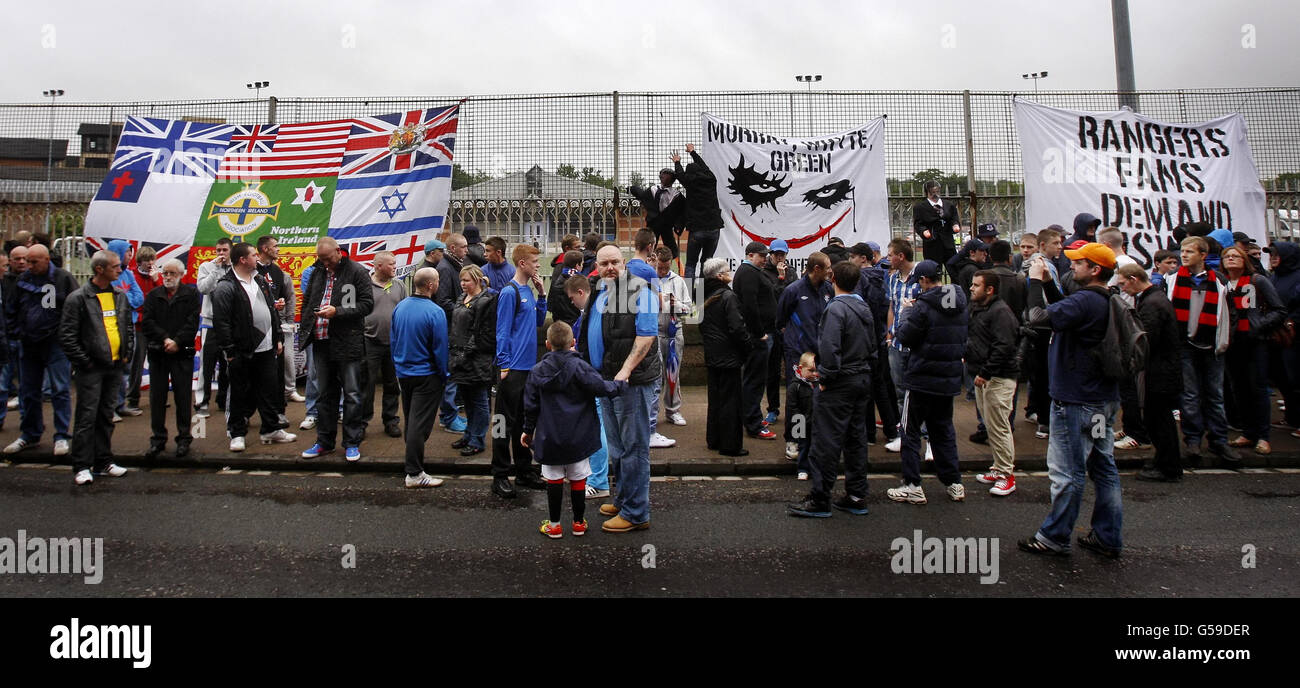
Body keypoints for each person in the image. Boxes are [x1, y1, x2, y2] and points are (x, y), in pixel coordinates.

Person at [1019, 242, 1123, 558]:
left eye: (1079, 263)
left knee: (1068, 472)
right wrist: (1050, 285)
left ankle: (1054, 536)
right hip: (1101, 401)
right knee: (1103, 467)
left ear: (1094, 269)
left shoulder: (1086, 300)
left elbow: (1037, 317)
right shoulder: (1102, 299)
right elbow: (1066, 312)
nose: (1071, 266)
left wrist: (1036, 281)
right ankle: (1107, 535)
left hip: (1075, 401)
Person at [580, 245, 660, 533]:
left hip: (631, 384)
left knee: (634, 448)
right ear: (597, 266)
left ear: (624, 263)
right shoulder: (600, 289)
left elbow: (646, 336)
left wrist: (625, 372)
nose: (610, 267)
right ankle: (625, 499)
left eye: (615, 262)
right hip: (606, 381)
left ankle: (637, 513)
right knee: (616, 447)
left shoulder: (641, 292)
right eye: (604, 263)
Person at [787, 260, 876, 518]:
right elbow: (872, 345)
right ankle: (857, 495)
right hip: (861, 379)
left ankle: (820, 498)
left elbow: (829, 348)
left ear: (833, 277)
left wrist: (824, 377)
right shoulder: (863, 307)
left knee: (825, 442)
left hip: (839, 384)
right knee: (856, 440)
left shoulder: (835, 309)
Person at [523, 321, 627, 539]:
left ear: (547, 344)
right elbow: (600, 387)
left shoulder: (536, 371)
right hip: (578, 435)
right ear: (573, 343)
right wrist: (621, 384)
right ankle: (579, 523)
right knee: (579, 479)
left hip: (549, 436)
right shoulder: (581, 367)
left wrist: (528, 430)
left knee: (554, 480)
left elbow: (530, 405)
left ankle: (554, 526)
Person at [886, 260, 968, 505]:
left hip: (922, 378)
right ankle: (954, 482)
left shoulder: (921, 307)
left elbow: (905, 336)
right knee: (943, 430)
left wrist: (907, 312)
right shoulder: (959, 302)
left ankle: (912, 484)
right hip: (948, 378)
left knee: (910, 431)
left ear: (923, 281)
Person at [210, 242, 297, 452]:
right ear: (242, 260)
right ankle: (237, 433)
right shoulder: (226, 286)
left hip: (266, 348)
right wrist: (230, 351)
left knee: (268, 389)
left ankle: (270, 429)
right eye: (253, 255)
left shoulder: (260, 280)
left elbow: (271, 310)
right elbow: (221, 322)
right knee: (239, 392)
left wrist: (276, 337)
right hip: (241, 350)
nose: (257, 258)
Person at [297, 237, 374, 462]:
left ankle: (351, 443)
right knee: (324, 395)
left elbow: (366, 304)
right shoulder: (318, 271)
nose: (326, 264)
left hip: (347, 342)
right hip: (321, 342)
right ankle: (324, 442)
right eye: (321, 260)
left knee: (351, 394)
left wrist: (337, 312)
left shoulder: (356, 272)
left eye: (328, 259)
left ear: (339, 252)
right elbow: (309, 300)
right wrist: (309, 322)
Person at [59, 250, 132, 485]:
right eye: (115, 267)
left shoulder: (119, 295)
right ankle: (81, 464)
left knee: (106, 415)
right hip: (91, 368)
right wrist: (85, 361)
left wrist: (125, 354)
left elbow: (127, 328)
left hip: (114, 366)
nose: (120, 270)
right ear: (99, 269)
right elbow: (68, 336)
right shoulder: (78, 298)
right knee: (86, 416)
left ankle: (103, 460)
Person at [1166, 236, 1238, 466]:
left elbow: (1231, 313)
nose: (1183, 255)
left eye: (1189, 251)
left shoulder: (1218, 281)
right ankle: (1193, 440)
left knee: (1215, 395)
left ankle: (1218, 440)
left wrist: (1225, 338)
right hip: (1184, 345)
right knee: (1190, 395)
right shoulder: (1172, 280)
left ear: (1203, 255)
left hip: (1212, 345)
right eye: (1182, 251)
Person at [4, 244, 77, 457]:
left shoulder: (62, 279)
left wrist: (66, 336)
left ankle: (62, 435)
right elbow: (12, 308)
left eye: (34, 261)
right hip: (29, 343)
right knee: (28, 391)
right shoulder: (23, 280)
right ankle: (30, 433)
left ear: (47, 259)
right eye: (28, 261)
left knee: (60, 389)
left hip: (55, 343)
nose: (29, 265)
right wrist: (16, 333)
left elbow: (73, 309)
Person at [1116, 263, 1185, 482]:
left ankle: (1168, 467)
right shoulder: (1153, 298)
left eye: (1123, 283)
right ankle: (1163, 460)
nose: (1123, 289)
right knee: (1157, 419)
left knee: (1159, 420)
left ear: (1134, 279)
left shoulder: (1152, 304)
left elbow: (1145, 339)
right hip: (1161, 369)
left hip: (1160, 371)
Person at [491, 243, 549, 498]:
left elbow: (537, 323)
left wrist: (542, 295)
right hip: (512, 368)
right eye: (535, 262)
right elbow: (501, 331)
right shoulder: (509, 292)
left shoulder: (527, 291)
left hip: (528, 368)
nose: (538, 266)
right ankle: (500, 475)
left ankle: (524, 470)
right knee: (503, 422)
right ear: (523, 263)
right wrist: (503, 365)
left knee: (524, 423)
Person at [1221, 245, 1284, 456]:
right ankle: (1248, 432)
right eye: (1227, 256)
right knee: (1239, 389)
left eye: (1235, 256)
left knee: (1258, 389)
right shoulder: (1221, 283)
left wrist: (1259, 325)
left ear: (1244, 260)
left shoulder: (1257, 281)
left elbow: (1279, 310)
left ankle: (1263, 436)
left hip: (1255, 342)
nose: (1231, 259)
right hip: (1232, 343)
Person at [390, 267, 448, 489]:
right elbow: (440, 348)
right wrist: (444, 375)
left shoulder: (400, 307)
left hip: (404, 373)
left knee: (411, 420)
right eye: (438, 281)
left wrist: (398, 366)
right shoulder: (435, 312)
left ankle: (411, 463)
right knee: (418, 425)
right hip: (427, 375)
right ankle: (414, 472)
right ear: (431, 285)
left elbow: (393, 341)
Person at [966, 270, 1020, 496]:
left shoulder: (1000, 313)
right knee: (991, 425)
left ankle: (1007, 475)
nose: (971, 288)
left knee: (999, 427)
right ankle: (998, 468)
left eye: (976, 285)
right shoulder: (981, 309)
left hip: (998, 378)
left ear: (990, 289)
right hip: (985, 375)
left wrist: (986, 372)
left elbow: (1004, 347)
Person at [776, 252, 834, 459]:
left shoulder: (828, 290)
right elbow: (780, 319)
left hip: (821, 354)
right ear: (816, 269)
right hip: (798, 354)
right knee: (798, 400)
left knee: (820, 397)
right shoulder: (794, 290)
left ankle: (815, 440)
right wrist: (794, 341)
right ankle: (795, 439)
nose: (830, 271)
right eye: (827, 267)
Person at [140, 259, 199, 460]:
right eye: (165, 273)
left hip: (182, 353)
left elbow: (192, 322)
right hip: (158, 352)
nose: (167, 277)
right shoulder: (153, 296)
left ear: (181, 275)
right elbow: (147, 322)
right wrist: (165, 339)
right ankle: (157, 439)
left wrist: (177, 341)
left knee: (183, 397)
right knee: (157, 398)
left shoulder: (190, 295)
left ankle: (184, 439)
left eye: (172, 273)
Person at [564, 274, 615, 497]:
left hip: (595, 377)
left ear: (581, 293)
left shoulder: (595, 314)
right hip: (594, 376)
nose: (571, 302)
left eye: (571, 297)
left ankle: (599, 481)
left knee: (599, 428)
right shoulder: (593, 314)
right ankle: (594, 476)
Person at [700, 258, 753, 457]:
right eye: (727, 271)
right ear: (720, 276)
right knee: (731, 402)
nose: (730, 273)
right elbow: (738, 328)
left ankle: (714, 439)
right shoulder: (728, 296)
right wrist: (747, 348)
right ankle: (730, 445)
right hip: (729, 355)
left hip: (712, 354)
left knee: (715, 399)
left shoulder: (704, 294)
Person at [882, 239, 926, 457]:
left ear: (900, 256)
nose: (888, 258)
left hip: (918, 344)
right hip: (897, 343)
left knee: (922, 392)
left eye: (890, 255)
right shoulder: (892, 279)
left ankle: (928, 439)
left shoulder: (922, 275)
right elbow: (892, 306)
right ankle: (906, 435)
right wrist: (890, 331)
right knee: (900, 392)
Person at [449, 263, 496, 457]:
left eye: (466, 280)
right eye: (461, 280)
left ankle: (478, 439)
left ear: (477, 280)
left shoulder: (485, 301)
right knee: (468, 400)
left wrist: (464, 353)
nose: (462, 283)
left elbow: (481, 332)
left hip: (476, 359)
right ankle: (469, 434)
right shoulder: (462, 298)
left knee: (479, 401)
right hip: (460, 357)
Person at [734, 241, 778, 441]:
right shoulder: (749, 273)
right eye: (761, 256)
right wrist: (759, 333)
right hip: (758, 336)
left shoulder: (750, 272)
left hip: (760, 334)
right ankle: (753, 423)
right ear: (750, 255)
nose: (764, 260)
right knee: (755, 381)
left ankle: (752, 419)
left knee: (754, 380)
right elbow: (750, 305)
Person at [362, 251, 405, 438]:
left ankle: (391, 420)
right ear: (378, 266)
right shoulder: (364, 285)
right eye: (391, 264)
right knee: (366, 385)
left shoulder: (399, 285)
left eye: (395, 264)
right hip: (369, 341)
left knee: (392, 384)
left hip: (394, 343)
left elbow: (404, 310)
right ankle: (361, 423)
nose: (394, 267)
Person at [105, 240, 145, 419]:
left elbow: (139, 299)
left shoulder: (128, 274)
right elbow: (110, 300)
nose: (131, 256)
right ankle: (109, 407)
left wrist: (122, 296)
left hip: (129, 325)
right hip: (112, 327)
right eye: (128, 253)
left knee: (125, 369)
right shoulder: (108, 275)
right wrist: (125, 299)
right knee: (112, 370)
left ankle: (120, 404)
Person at [654, 246, 693, 427]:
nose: (663, 271)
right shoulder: (648, 280)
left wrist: (674, 303)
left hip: (674, 333)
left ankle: (673, 411)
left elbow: (689, 309)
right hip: (653, 333)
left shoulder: (678, 281)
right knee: (653, 375)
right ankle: (651, 413)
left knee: (672, 374)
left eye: (666, 267)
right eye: (660, 267)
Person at [195, 238, 233, 417]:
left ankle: (224, 399)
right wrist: (216, 270)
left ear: (231, 251)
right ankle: (201, 403)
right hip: (210, 323)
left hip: (229, 324)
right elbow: (204, 289)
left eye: (225, 250)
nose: (221, 254)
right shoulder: (206, 267)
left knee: (229, 364)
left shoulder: (236, 268)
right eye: (218, 250)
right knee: (207, 364)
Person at [674, 143, 723, 279]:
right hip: (714, 228)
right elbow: (705, 167)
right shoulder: (711, 180)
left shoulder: (690, 183)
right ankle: (703, 294)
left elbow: (680, 174)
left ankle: (689, 296)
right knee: (706, 263)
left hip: (697, 229)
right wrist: (693, 152)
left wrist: (677, 162)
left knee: (691, 263)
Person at [762, 239, 798, 426]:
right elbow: (772, 297)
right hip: (771, 328)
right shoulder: (764, 272)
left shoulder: (791, 271)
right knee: (772, 372)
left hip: (788, 328)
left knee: (794, 370)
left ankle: (794, 410)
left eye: (782, 254)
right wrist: (781, 278)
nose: (779, 257)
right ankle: (772, 409)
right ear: (770, 254)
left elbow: (793, 297)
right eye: (776, 254)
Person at [123, 245, 161, 416]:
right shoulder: (132, 276)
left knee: (158, 364)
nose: (150, 263)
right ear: (140, 261)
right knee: (137, 364)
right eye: (146, 260)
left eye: (152, 260)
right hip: (139, 325)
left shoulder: (157, 277)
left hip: (155, 325)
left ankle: (157, 398)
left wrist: (156, 280)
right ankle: (133, 399)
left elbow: (164, 297)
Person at [628, 169, 687, 263]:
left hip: (667, 225)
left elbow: (682, 212)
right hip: (653, 224)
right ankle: (646, 265)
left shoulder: (676, 195)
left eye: (668, 175)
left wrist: (679, 224)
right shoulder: (653, 190)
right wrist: (633, 189)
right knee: (649, 245)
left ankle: (680, 268)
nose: (664, 177)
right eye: (663, 175)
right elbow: (643, 196)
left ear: (673, 179)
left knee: (671, 247)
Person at [912, 181, 962, 278]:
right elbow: (918, 223)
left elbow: (954, 218)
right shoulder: (920, 207)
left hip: (948, 244)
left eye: (937, 191)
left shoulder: (949, 205)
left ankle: (955, 290)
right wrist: (923, 231)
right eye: (932, 192)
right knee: (933, 273)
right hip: (932, 244)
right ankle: (936, 291)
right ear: (927, 192)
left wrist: (955, 225)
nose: (935, 194)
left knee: (955, 271)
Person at [787, 352, 818, 480]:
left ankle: (815, 468)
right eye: (811, 370)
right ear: (801, 369)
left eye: (816, 370)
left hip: (816, 422)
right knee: (803, 446)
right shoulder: (795, 386)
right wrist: (797, 427)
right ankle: (803, 469)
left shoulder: (818, 384)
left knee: (816, 446)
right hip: (801, 422)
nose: (815, 374)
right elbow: (792, 408)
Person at [546, 250, 584, 327]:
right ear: (577, 265)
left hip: (560, 323)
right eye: (582, 264)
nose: (583, 266)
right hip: (574, 324)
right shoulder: (579, 282)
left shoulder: (560, 279)